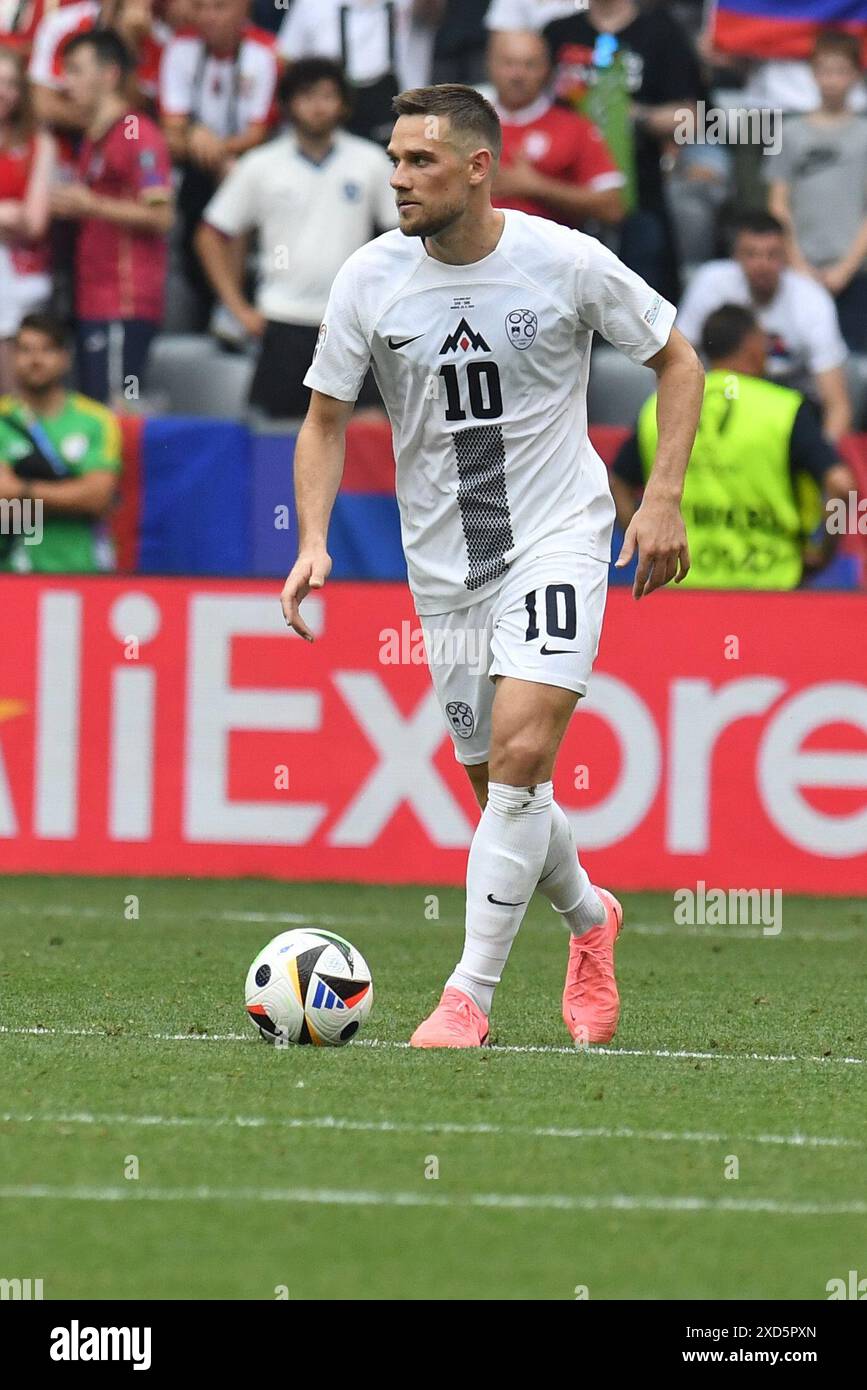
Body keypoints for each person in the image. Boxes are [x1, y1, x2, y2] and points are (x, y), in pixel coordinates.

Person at [280, 83, 704, 1049]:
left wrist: (665, 495)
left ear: (479, 167)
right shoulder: (368, 280)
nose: (397, 179)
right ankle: (591, 919)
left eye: (419, 162)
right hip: (445, 569)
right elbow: (323, 420)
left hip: (557, 535)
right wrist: (311, 539)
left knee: (519, 756)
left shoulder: (562, 260)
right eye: (392, 160)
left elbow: (677, 360)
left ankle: (465, 998)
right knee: (502, 788)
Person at [196, 58, 397, 419]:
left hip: (349, 322)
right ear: (287, 104)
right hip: (282, 320)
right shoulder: (260, 165)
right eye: (306, 96)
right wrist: (238, 308)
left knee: (363, 434)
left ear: (344, 104)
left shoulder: (371, 162)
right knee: (281, 439)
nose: (318, 105)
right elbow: (211, 234)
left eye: (328, 95)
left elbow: (401, 235)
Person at [612, 304, 854, 590]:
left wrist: (648, 544)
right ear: (752, 346)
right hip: (771, 587)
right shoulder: (785, 409)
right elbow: (841, 485)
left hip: (681, 591)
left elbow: (617, 484)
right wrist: (824, 555)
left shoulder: (660, 405)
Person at [542, 0, 705, 303]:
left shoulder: (661, 32)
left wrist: (631, 114)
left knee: (642, 301)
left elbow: (691, 119)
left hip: (640, 190)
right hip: (561, 195)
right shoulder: (558, 32)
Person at [51, 28, 172, 404]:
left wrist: (90, 205)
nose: (65, 81)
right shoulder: (93, 138)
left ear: (109, 74)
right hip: (93, 298)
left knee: (116, 411)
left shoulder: (137, 133)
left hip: (123, 300)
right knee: (96, 410)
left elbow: (162, 215)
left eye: (75, 70)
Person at [676, 213, 852, 442]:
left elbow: (838, 407)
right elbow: (676, 361)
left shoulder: (812, 300)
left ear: (787, 258)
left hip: (792, 408)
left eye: (772, 255)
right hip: (722, 398)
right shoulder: (710, 283)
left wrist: (821, 462)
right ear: (735, 256)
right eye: (751, 254)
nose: (762, 264)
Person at [160, 0, 278, 328]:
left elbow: (257, 133)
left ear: (244, 10)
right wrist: (196, 137)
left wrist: (213, 144)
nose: (209, 17)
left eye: (220, 7)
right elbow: (171, 129)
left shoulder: (262, 53)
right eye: (201, 7)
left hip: (242, 159)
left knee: (234, 175)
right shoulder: (180, 48)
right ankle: (197, 298)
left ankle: (230, 302)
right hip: (191, 160)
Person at [767, 31, 867, 354]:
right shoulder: (790, 132)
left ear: (855, 74)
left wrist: (846, 268)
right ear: (812, 73)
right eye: (825, 70)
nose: (832, 80)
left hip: (856, 272)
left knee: (855, 362)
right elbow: (779, 204)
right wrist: (797, 263)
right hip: (799, 271)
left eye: (840, 71)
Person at [0, 311, 121, 572]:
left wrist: (22, 491)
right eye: (25, 350)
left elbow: (98, 497)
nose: (35, 360)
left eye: (47, 350)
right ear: (13, 358)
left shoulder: (96, 420)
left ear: (65, 358)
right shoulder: (1, 418)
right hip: (13, 572)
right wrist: (72, 495)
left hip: (83, 568)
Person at [488, 28, 625, 230]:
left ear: (547, 70)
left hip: (549, 255)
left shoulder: (575, 127)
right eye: (509, 63)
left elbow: (613, 207)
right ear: (490, 65)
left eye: (530, 65)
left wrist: (538, 187)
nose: (518, 75)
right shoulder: (465, 124)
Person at [276, 0, 437, 146]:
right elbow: (288, 62)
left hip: (402, 124)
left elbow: (433, 11)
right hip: (330, 130)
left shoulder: (409, 5)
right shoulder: (311, 5)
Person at [0, 46, 55, 392]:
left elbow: (34, 222)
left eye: (11, 83)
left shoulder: (39, 143)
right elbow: (17, 215)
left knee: (12, 392)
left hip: (22, 278)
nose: (3, 92)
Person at [28, 0, 169, 129]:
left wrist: (129, 42)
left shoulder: (158, 40)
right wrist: (102, 124)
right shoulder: (62, 24)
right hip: (66, 145)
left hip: (125, 144)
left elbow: (134, 115)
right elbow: (42, 105)